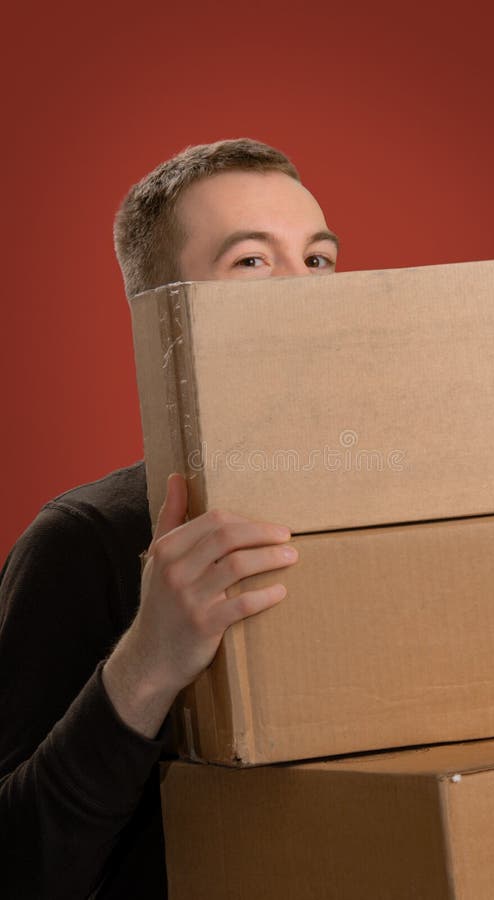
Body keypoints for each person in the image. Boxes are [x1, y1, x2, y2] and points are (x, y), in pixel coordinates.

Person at [0, 138, 340, 899]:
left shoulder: (420, 513)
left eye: (317, 260)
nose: (302, 289)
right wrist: (149, 659)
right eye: (252, 261)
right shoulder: (82, 542)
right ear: (165, 313)